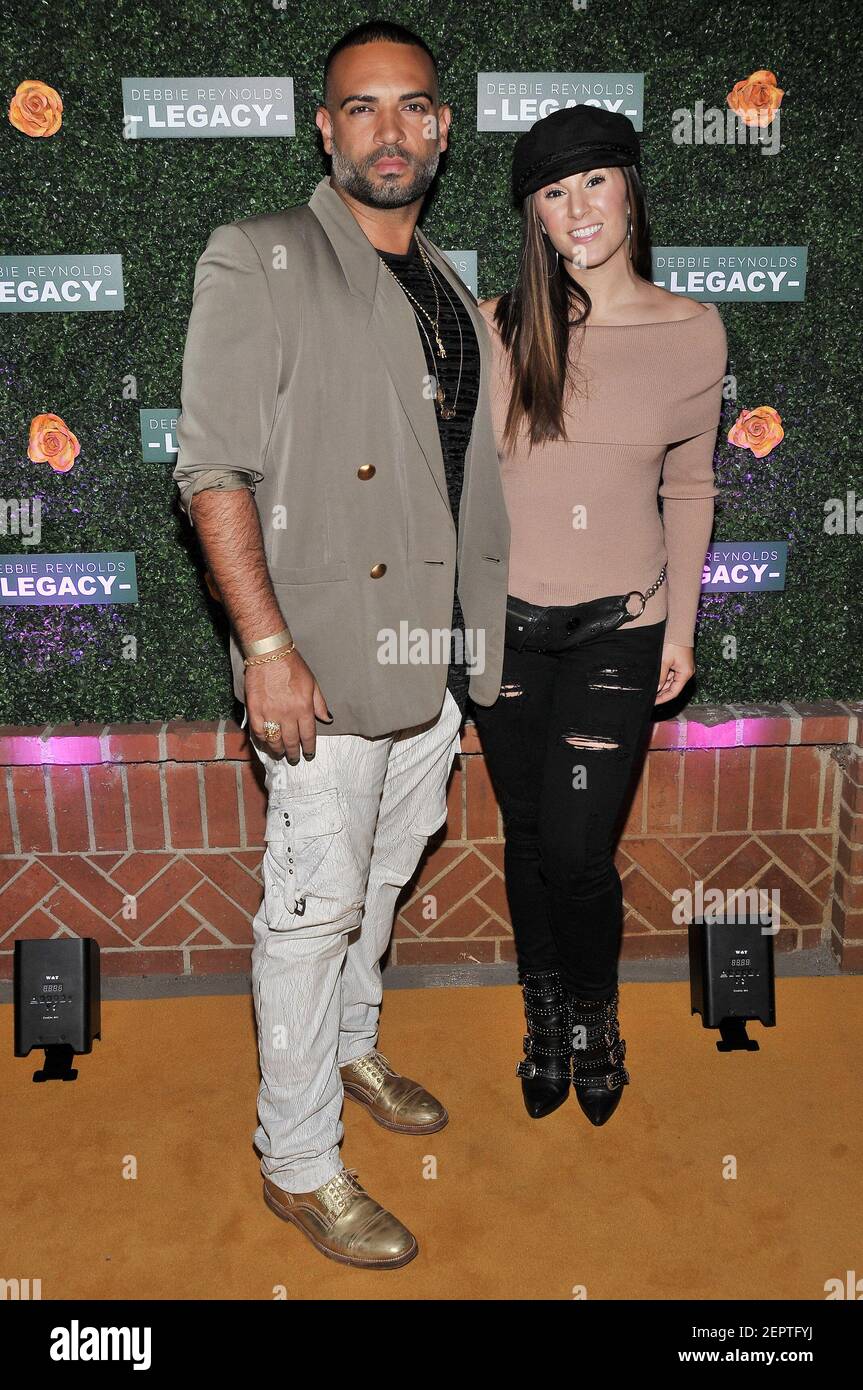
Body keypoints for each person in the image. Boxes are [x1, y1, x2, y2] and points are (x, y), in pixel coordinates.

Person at [172, 20, 510, 1268]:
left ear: (438, 128)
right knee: (311, 910)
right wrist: (265, 644)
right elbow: (214, 469)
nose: (385, 130)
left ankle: (353, 1043)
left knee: (380, 873)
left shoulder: (452, 286)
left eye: (410, 106)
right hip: (317, 658)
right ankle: (299, 1160)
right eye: (358, 108)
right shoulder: (256, 259)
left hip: (432, 659)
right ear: (324, 128)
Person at [474, 106, 727, 1128]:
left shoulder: (691, 331)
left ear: (628, 185)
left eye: (592, 181)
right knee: (530, 833)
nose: (576, 207)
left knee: (577, 848)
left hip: (617, 632)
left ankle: (592, 1018)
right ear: (532, 216)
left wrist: (678, 627)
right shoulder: (500, 326)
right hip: (503, 630)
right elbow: (462, 488)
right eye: (551, 191)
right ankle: (543, 1014)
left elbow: (690, 486)